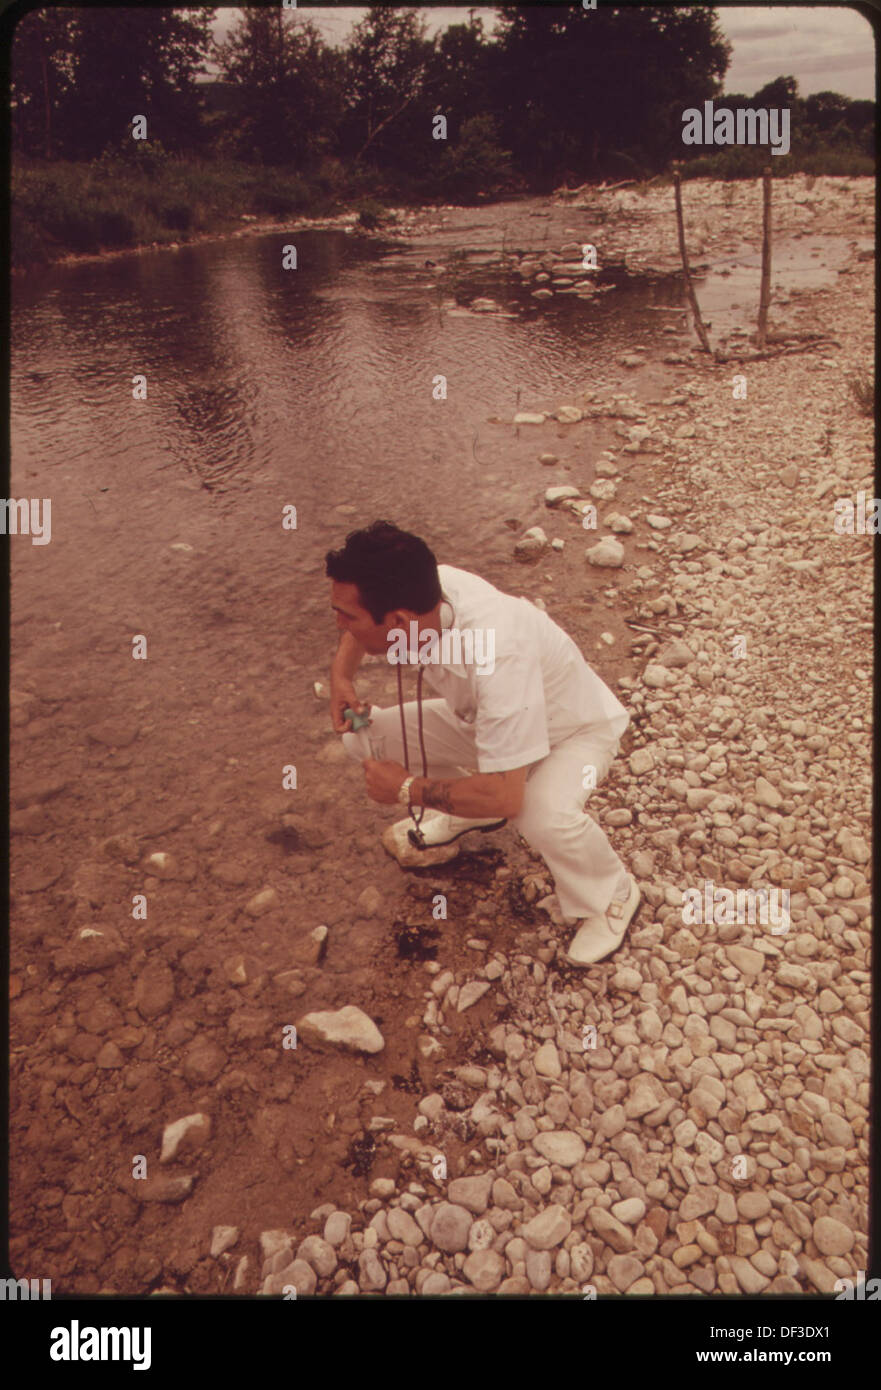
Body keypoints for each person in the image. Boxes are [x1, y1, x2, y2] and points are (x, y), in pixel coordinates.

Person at [325, 521, 640, 965]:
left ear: (397, 622)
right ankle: (471, 808)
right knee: (366, 737)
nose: (339, 623)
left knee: (536, 811)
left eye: (347, 615)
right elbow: (359, 629)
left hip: (572, 733)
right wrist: (341, 677)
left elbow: (509, 797)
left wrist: (406, 789)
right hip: (488, 723)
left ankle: (612, 895)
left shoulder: (498, 653)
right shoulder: (425, 591)